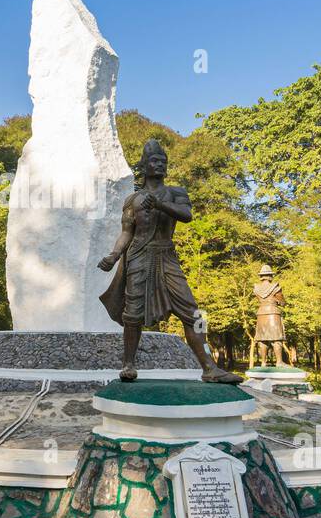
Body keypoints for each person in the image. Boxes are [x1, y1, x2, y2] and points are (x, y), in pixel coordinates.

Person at [98, 138, 241, 384]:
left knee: (193, 313)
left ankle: (209, 368)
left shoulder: (176, 193)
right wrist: (114, 255)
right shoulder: (132, 201)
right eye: (155, 161)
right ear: (144, 166)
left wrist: (161, 204)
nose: (161, 165)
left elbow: (186, 215)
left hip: (166, 256)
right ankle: (128, 364)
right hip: (139, 257)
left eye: (163, 161)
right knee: (132, 314)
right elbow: (126, 233)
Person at [253, 264, 287, 367]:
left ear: (261, 276)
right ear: (270, 275)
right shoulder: (276, 287)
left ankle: (263, 362)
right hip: (273, 313)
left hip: (261, 314)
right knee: (277, 338)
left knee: (262, 339)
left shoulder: (256, 288)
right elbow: (282, 302)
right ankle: (279, 362)